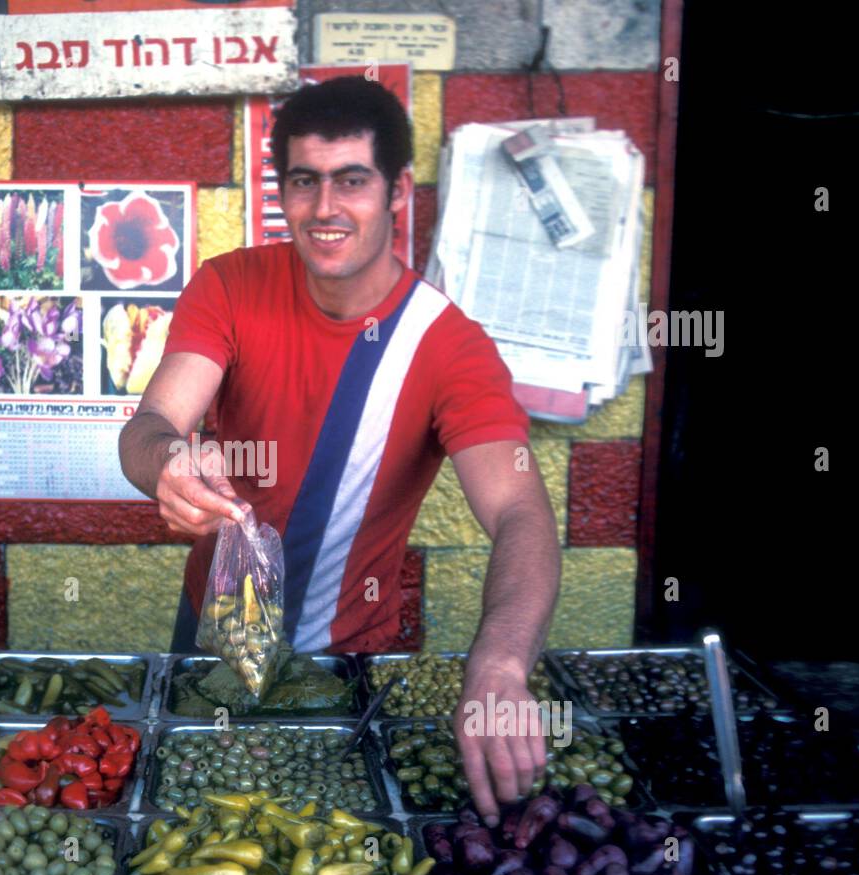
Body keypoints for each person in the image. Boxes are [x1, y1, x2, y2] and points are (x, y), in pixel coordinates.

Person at [118, 76, 562, 825]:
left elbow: (522, 513)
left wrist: (500, 660)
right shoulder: (230, 286)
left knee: (324, 853)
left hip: (347, 659)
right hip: (213, 634)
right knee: (194, 840)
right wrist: (166, 459)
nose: (324, 209)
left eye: (351, 181)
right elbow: (151, 422)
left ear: (397, 189)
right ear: (283, 189)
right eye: (304, 182)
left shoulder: (448, 346)